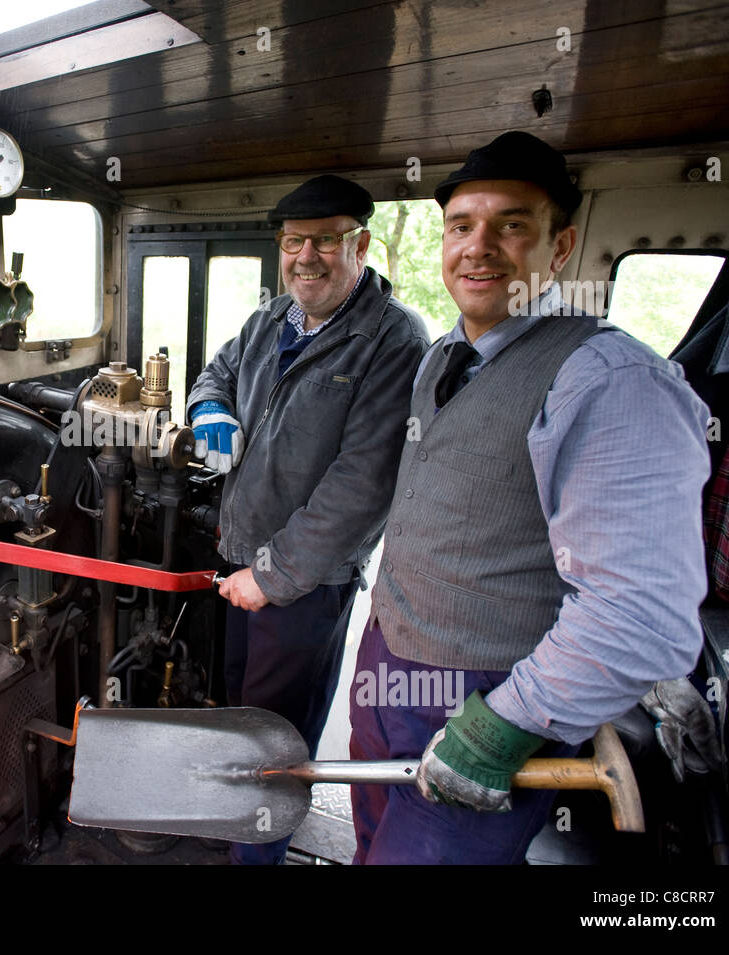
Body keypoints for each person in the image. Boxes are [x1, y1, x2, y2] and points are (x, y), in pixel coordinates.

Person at [349, 131, 711, 864]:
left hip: (487, 699)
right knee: (371, 847)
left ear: (561, 246)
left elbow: (641, 614)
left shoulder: (610, 382)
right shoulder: (442, 359)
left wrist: (502, 727)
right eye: (461, 224)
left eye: (511, 224)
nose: (478, 246)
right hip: (387, 668)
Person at [187, 174, 430, 864]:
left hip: (304, 579)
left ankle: (258, 852)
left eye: (327, 240)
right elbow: (217, 372)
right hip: (239, 553)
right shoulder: (271, 319)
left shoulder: (393, 339)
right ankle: (242, 820)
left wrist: (274, 574)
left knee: (279, 728)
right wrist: (210, 407)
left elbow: (362, 484)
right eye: (295, 241)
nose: (307, 257)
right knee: (243, 709)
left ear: (362, 244)